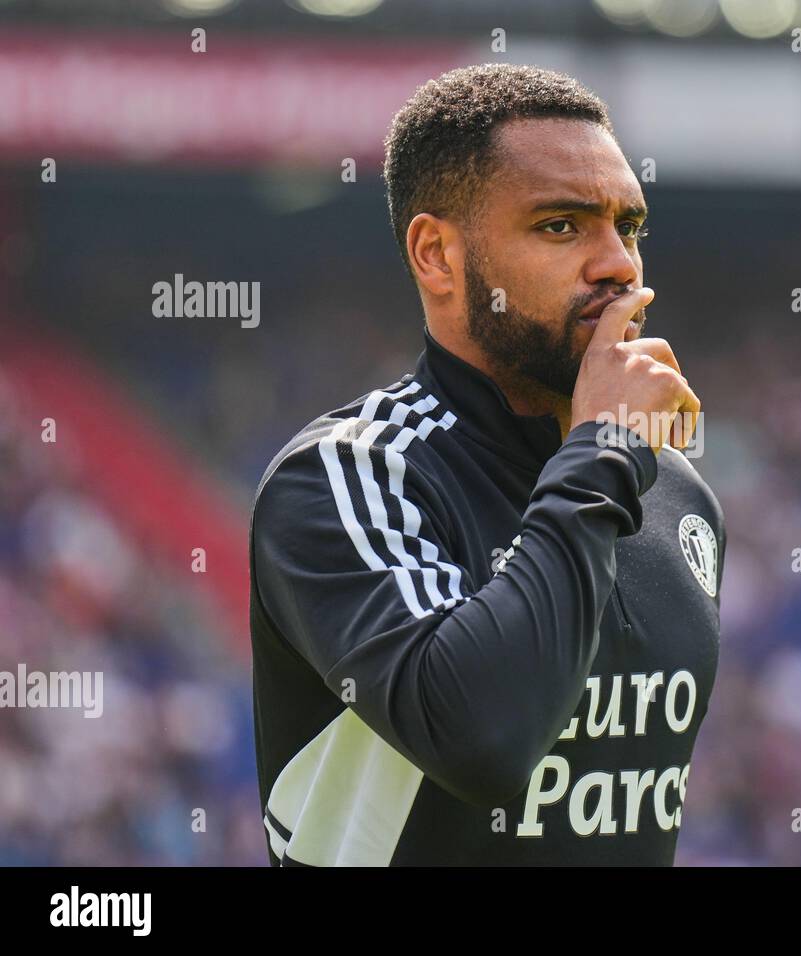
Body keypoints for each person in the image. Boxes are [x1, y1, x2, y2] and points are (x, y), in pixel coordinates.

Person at [248, 63, 725, 865]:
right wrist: (603, 447)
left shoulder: (676, 494)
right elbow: (483, 741)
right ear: (438, 255)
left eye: (629, 227)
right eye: (561, 227)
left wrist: (607, 454)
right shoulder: (349, 478)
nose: (619, 264)